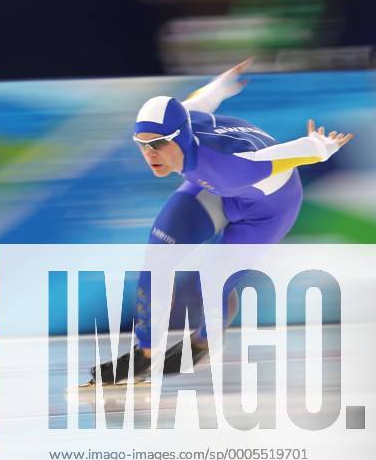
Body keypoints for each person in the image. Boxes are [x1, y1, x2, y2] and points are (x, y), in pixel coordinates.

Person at [94, 60, 353, 384]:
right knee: (158, 255)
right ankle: (145, 353)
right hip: (214, 189)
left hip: (268, 208)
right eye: (142, 145)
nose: (150, 154)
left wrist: (319, 146)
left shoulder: (228, 166)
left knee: (212, 279)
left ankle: (204, 342)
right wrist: (224, 84)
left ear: (181, 137)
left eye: (158, 144)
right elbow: (202, 100)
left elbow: (279, 157)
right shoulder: (183, 123)